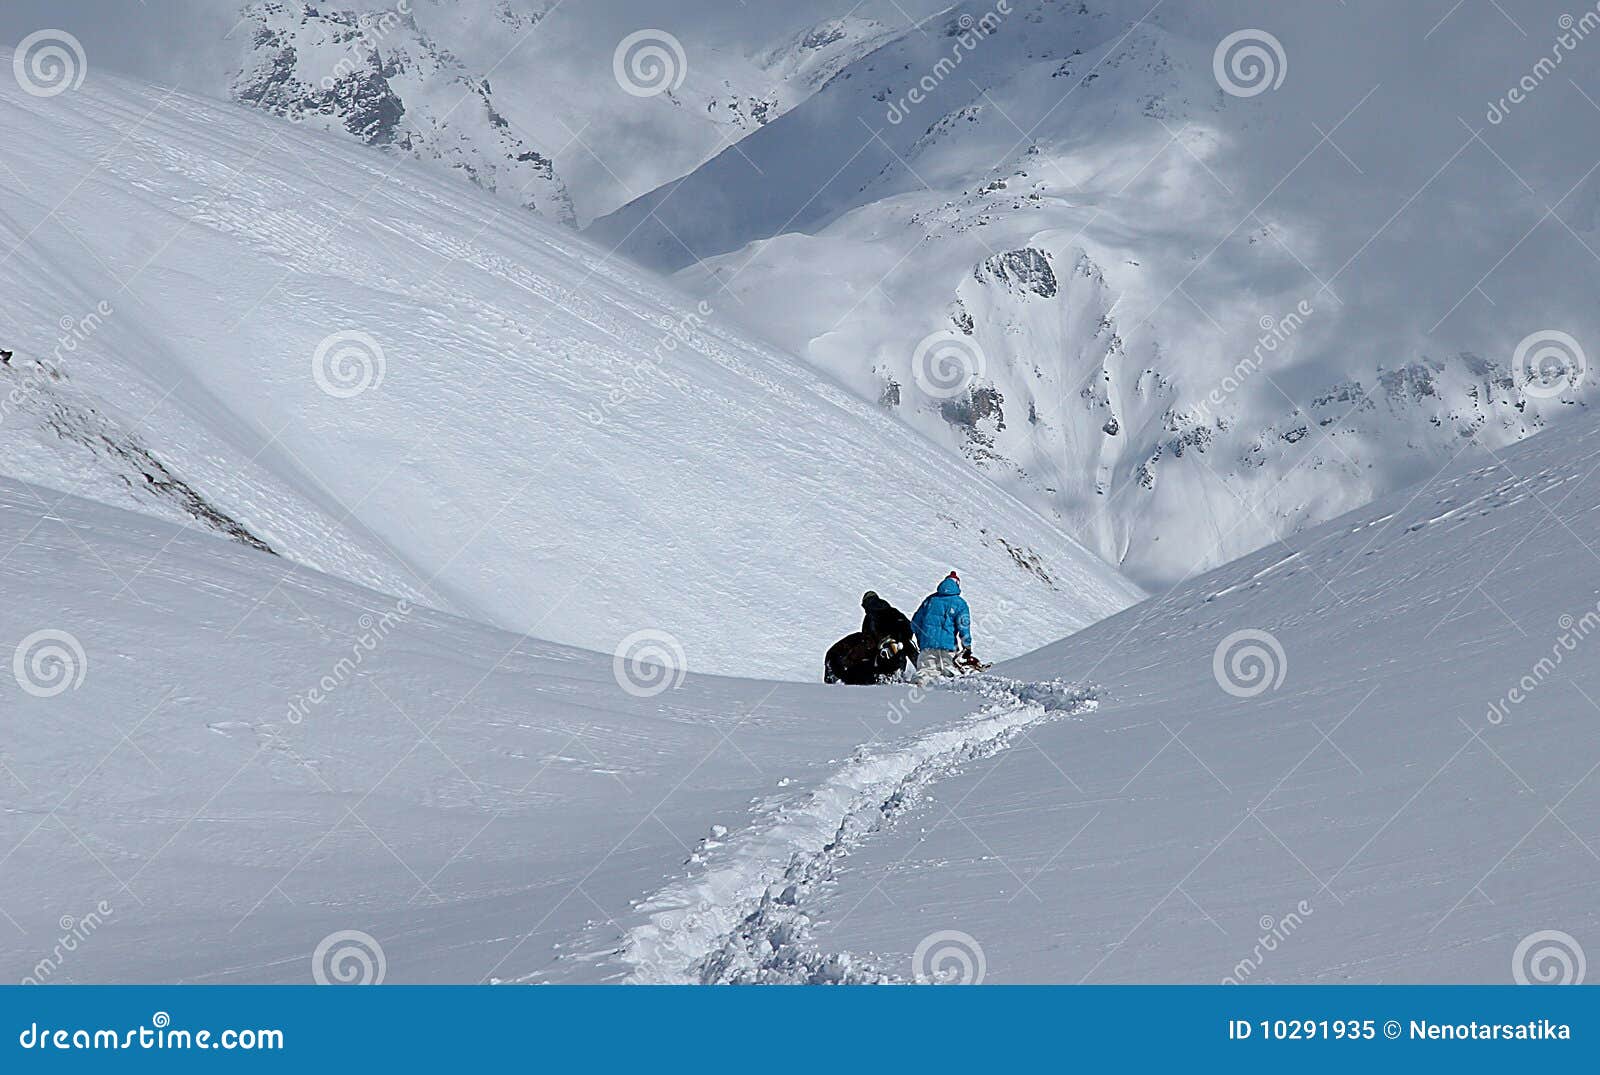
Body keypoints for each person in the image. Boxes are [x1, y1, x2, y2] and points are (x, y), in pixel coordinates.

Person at [911, 571, 974, 681]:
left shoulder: (930, 600)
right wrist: (966, 645)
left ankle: (919, 690)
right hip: (948, 646)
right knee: (949, 675)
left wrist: (920, 639)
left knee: (925, 673)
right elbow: (964, 626)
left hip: (928, 644)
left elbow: (916, 622)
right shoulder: (960, 603)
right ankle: (947, 695)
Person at [860, 591, 917, 674]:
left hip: (882, 645)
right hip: (900, 640)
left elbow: (866, 636)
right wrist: (903, 637)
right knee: (906, 648)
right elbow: (907, 625)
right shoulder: (892, 610)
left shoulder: (869, 616)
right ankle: (924, 670)